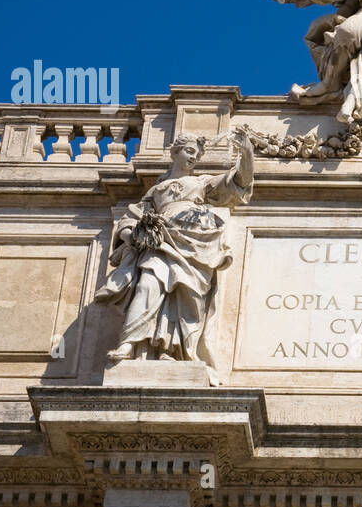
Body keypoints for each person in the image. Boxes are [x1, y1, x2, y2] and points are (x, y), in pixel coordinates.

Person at [95, 128, 254, 384]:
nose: (193, 157)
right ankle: (130, 344)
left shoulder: (201, 183)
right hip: (160, 242)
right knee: (148, 286)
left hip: (194, 246)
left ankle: (176, 350)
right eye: (189, 151)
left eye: (197, 154)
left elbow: (239, 182)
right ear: (175, 152)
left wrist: (245, 153)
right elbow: (130, 219)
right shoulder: (157, 190)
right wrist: (132, 235)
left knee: (189, 298)